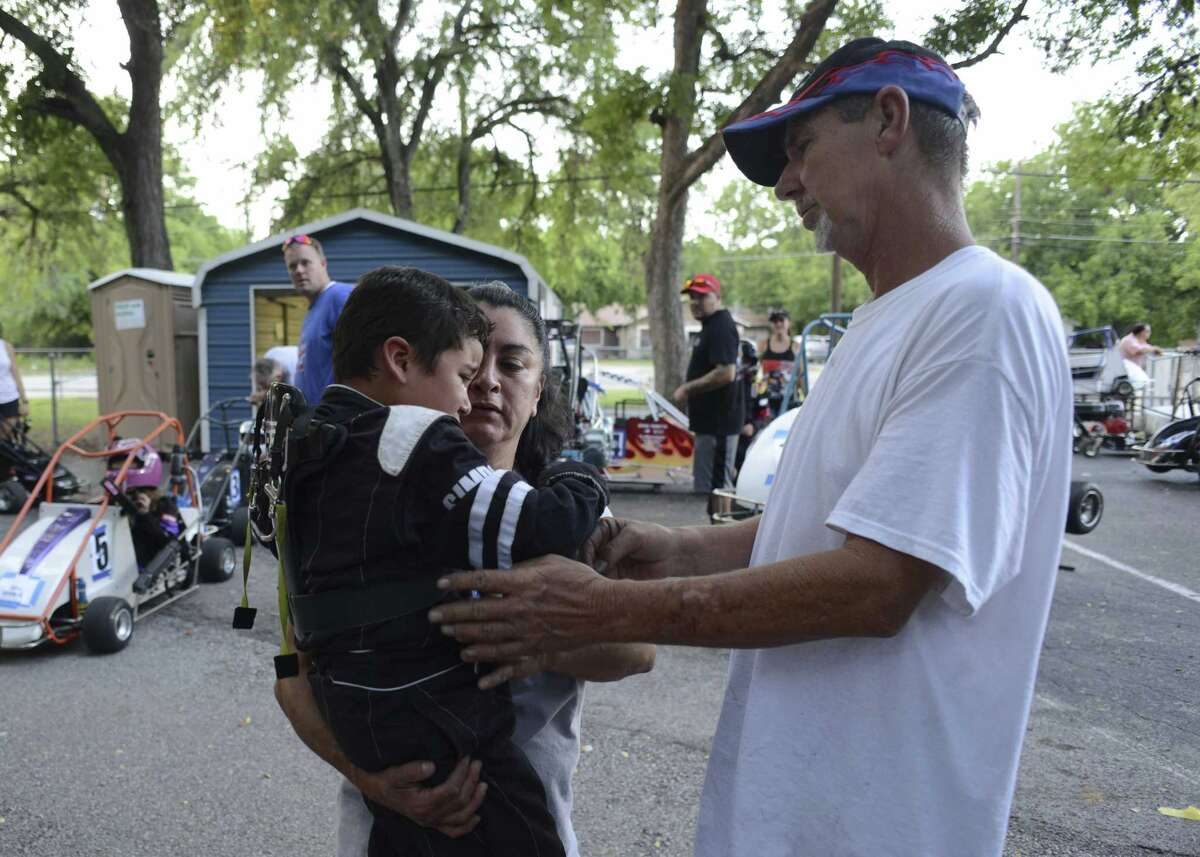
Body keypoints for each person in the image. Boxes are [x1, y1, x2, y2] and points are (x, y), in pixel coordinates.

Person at [429, 37, 1073, 857]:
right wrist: (678, 549)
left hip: (878, 826)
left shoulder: (985, 309)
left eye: (800, 148)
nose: (786, 183)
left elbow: (879, 583)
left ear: (888, 119)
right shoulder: (892, 317)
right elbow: (837, 529)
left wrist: (600, 607)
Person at [275, 282, 655, 857]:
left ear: (540, 388)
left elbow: (637, 650)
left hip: (520, 821)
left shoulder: (568, 510)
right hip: (384, 821)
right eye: (471, 360)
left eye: (512, 361)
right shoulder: (344, 501)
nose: (486, 382)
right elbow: (290, 674)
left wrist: (530, 641)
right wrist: (374, 781)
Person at [672, 273, 741, 514]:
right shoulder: (709, 326)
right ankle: (715, 530)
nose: (695, 302)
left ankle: (722, 534)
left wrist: (687, 388)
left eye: (702, 297)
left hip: (719, 424)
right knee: (711, 486)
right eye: (692, 298)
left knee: (719, 486)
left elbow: (726, 373)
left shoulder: (721, 326)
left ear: (718, 297)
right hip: (710, 425)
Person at [283, 234, 353, 405]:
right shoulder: (313, 311)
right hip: (313, 423)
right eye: (292, 266)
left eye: (305, 262)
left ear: (323, 263)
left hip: (337, 423)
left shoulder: (340, 297)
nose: (299, 270)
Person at [758, 309, 796, 417]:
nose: (778, 324)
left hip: (789, 399)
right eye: (775, 321)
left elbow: (801, 375)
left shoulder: (796, 346)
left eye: (781, 320)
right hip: (768, 399)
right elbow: (757, 370)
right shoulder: (763, 344)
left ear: (789, 323)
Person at [0, 327, 29, 441]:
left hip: (9, 397)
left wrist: (24, 401)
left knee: (7, 435)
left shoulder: (6, 346)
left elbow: (15, 373)